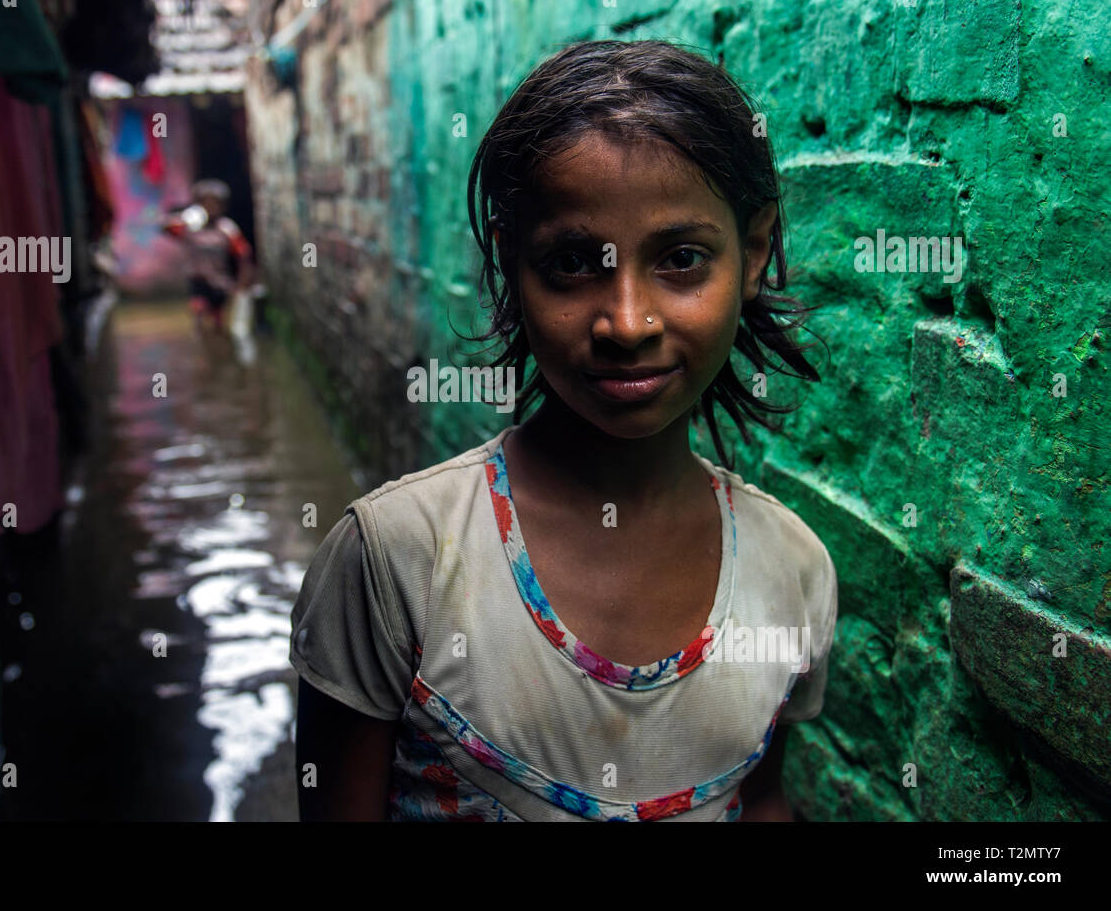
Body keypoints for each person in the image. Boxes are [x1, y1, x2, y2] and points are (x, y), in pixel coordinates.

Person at [289, 40, 839, 821]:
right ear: (513, 267)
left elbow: (765, 799)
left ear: (752, 256)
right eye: (574, 264)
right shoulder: (395, 561)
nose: (627, 322)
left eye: (681, 259)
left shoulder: (794, 573)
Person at [162, 178, 254, 334]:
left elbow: (243, 254)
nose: (211, 207)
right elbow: (166, 227)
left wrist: (242, 282)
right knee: (198, 313)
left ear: (223, 206)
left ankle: (218, 347)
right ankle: (203, 345)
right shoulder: (190, 226)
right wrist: (186, 217)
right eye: (206, 203)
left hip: (219, 281)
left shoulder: (226, 229)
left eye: (215, 203)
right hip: (197, 279)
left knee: (218, 319)